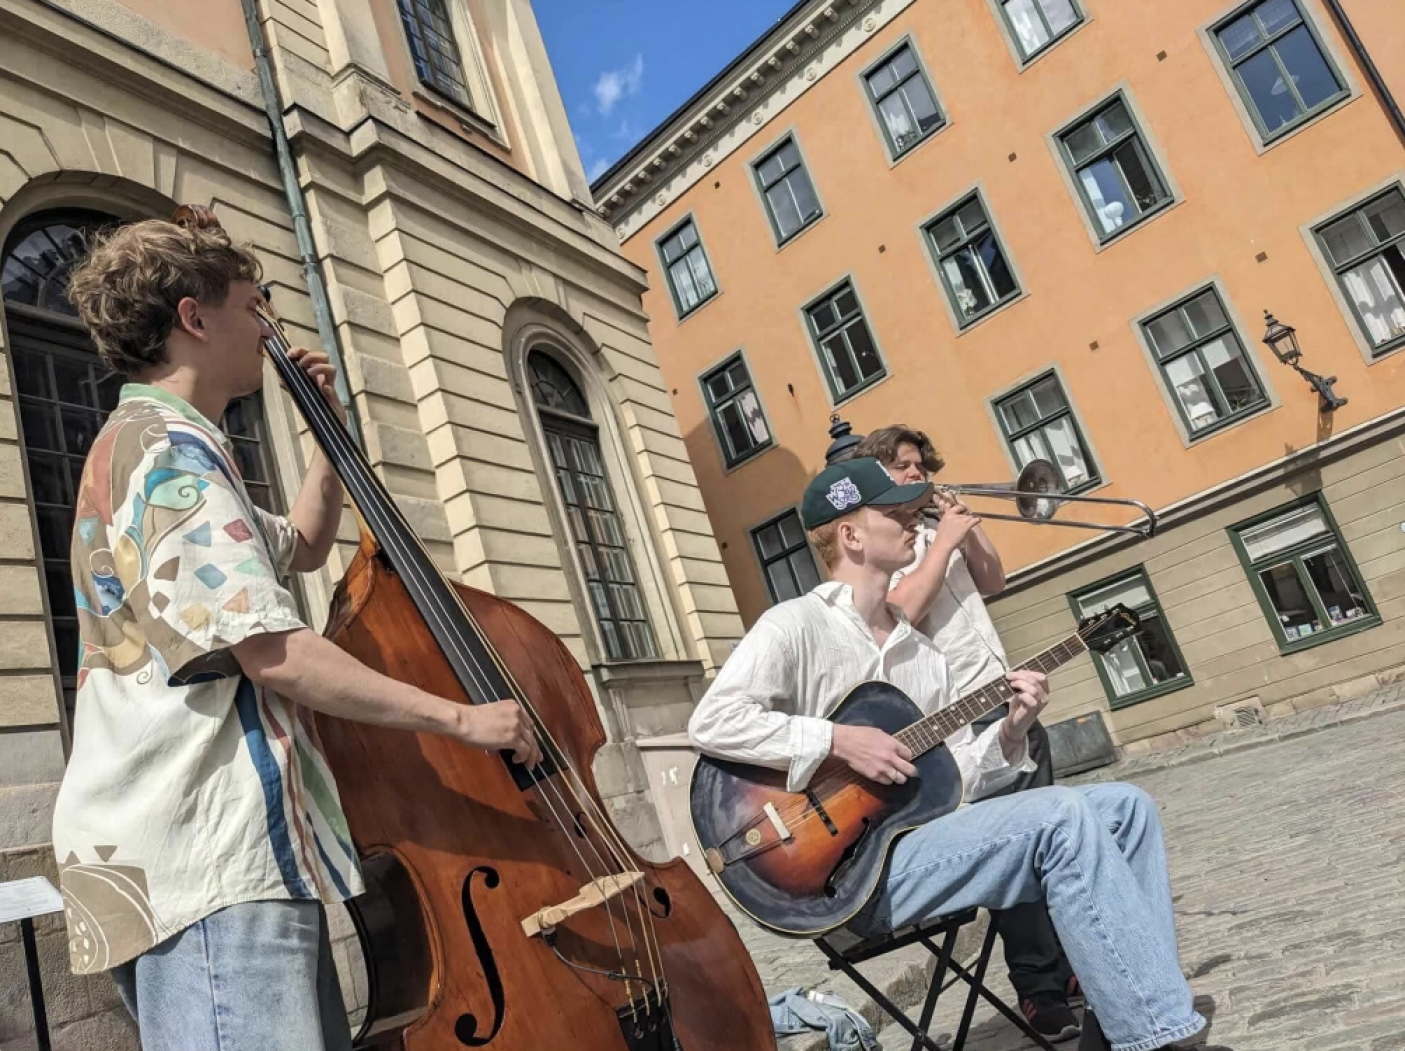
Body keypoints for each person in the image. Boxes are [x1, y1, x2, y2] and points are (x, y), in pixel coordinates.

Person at [53, 217, 542, 1051]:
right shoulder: (163, 453)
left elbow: (304, 547)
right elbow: (272, 648)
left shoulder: (176, 450)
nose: (268, 327)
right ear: (194, 318)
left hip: (211, 860)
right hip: (205, 857)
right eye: (255, 305)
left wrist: (327, 441)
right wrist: (463, 719)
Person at [688, 458, 1212, 1051]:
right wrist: (836, 739)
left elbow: (955, 778)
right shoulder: (795, 627)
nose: (914, 520)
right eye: (895, 512)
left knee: (1128, 805)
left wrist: (1012, 731)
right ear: (851, 535)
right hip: (846, 878)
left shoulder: (924, 656)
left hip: (926, 846)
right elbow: (713, 720)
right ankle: (1159, 1040)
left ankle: (1135, 1016)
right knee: (1062, 817)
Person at [845, 426, 1080, 1040]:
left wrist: (966, 527)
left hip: (1005, 696)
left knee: (1057, 839)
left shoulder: (933, 529)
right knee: (1011, 853)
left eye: (921, 464)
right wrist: (941, 544)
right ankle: (1038, 988)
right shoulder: (883, 547)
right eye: (904, 467)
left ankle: (1071, 962)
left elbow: (995, 580)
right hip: (951, 718)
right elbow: (898, 615)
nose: (918, 475)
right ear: (877, 475)